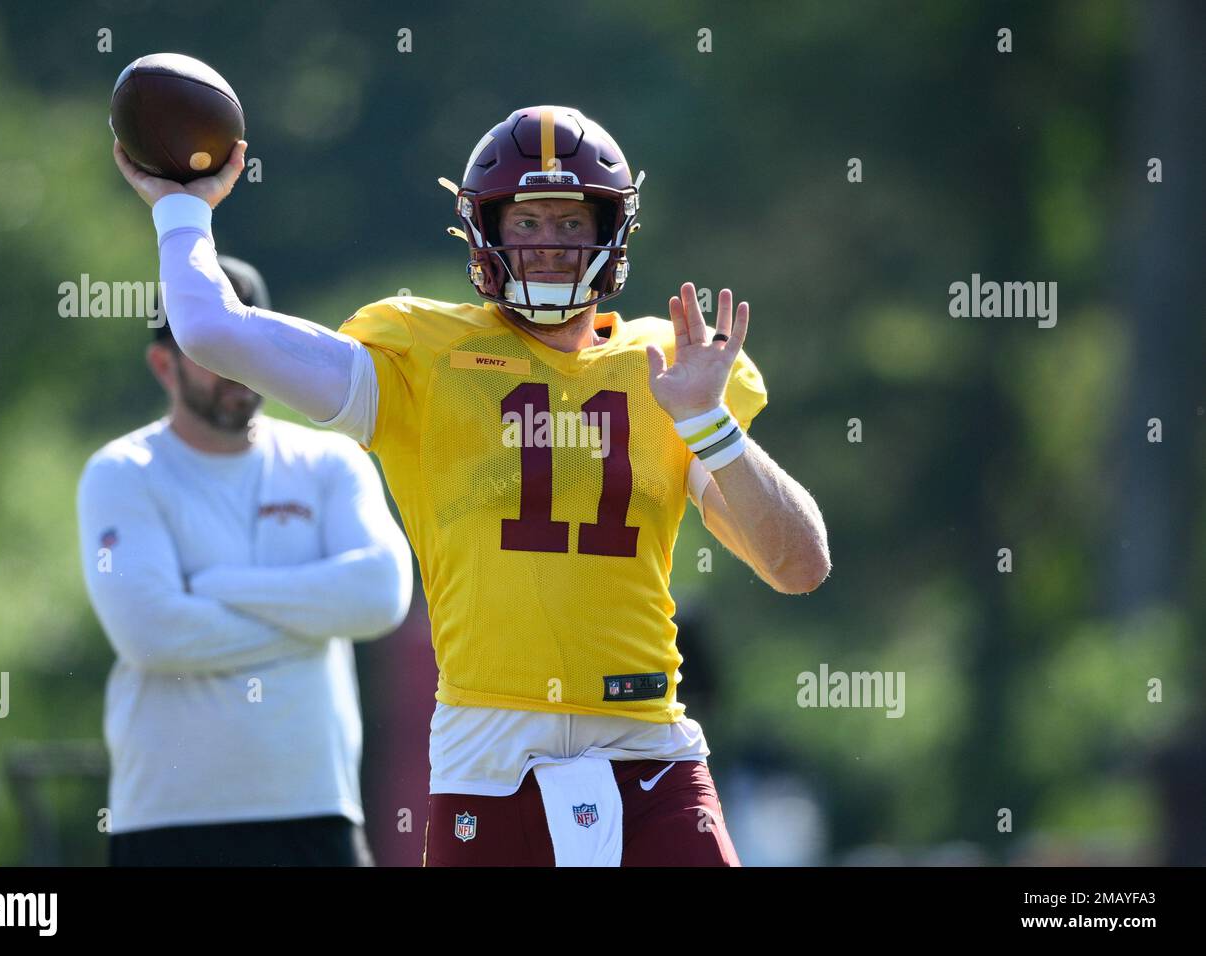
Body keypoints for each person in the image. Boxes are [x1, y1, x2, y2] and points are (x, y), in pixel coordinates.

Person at [113, 105, 830, 866]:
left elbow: (799, 565)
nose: (550, 246)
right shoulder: (422, 356)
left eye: (570, 222)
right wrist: (182, 211)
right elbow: (214, 331)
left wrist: (708, 424)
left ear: (610, 231)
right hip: (488, 759)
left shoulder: (667, 367)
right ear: (485, 231)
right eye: (526, 223)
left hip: (649, 750)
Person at [76, 255, 413, 866]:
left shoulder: (330, 461)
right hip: (168, 820)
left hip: (316, 813)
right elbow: (152, 635)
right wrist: (312, 622)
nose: (237, 374)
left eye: (245, 352)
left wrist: (215, 586)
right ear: (163, 364)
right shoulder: (123, 472)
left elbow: (382, 594)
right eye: (213, 356)